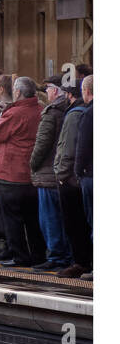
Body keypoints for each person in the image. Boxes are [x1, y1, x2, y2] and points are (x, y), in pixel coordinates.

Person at [0, 75, 46, 268]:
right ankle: (38, 254)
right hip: (31, 173)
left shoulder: (16, 113)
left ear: (17, 92)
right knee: (32, 218)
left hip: (10, 173)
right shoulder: (40, 109)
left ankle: (20, 256)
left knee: (12, 219)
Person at [29, 76, 73, 271]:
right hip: (64, 173)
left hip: (47, 173)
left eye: (48, 88)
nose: (46, 92)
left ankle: (56, 256)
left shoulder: (52, 112)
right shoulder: (69, 110)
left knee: (50, 218)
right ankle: (68, 254)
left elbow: (42, 144)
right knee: (65, 217)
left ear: (55, 91)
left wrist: (32, 164)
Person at [53, 82, 90, 279]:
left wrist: (61, 173)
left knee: (75, 222)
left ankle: (80, 262)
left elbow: (68, 147)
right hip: (81, 175)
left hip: (72, 179)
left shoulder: (75, 114)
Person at [74, 74, 93, 281]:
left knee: (94, 221)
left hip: (91, 175)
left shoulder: (89, 113)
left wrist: (78, 172)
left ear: (86, 91)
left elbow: (83, 146)